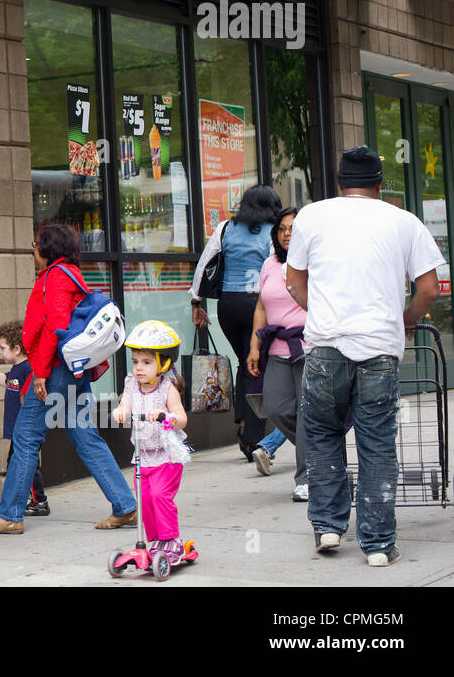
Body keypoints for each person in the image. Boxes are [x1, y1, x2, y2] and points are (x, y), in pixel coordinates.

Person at [287, 145, 442, 567]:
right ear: (378, 184)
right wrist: (405, 319)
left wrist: (321, 315)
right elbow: (429, 290)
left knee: (321, 436)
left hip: (325, 347)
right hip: (379, 350)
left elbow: (293, 282)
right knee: (376, 445)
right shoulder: (403, 221)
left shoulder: (311, 216)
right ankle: (376, 544)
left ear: (339, 185)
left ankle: (329, 527)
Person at [0, 222, 136, 534]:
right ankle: (125, 506)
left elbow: (54, 328)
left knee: (25, 437)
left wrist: (40, 373)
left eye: (35, 245)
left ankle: (9, 515)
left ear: (48, 249)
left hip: (56, 371)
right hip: (72, 372)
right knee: (86, 437)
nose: (33, 250)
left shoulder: (56, 277)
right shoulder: (72, 274)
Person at [189, 184, 282, 460]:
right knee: (257, 365)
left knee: (245, 361)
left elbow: (203, 265)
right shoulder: (272, 231)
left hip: (228, 306)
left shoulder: (226, 228)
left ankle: (242, 423)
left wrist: (196, 302)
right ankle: (252, 437)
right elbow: (276, 268)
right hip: (257, 305)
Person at [113, 321, 190, 559]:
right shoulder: (130, 385)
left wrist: (166, 417)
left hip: (167, 455)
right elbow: (124, 404)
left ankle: (171, 541)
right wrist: (120, 412)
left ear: (164, 363)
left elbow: (182, 419)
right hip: (142, 457)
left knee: (159, 496)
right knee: (145, 500)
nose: (139, 368)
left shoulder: (168, 389)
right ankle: (156, 541)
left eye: (146, 362)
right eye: (136, 361)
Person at [246, 207, 308, 500]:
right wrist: (254, 346)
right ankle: (324, 452)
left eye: (293, 228)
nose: (287, 233)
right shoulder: (269, 264)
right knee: (275, 408)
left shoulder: (313, 261)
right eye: (282, 228)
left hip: (309, 347)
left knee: (308, 414)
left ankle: (307, 478)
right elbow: (261, 306)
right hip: (278, 348)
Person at [0, 319, 49, 517]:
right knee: (17, 462)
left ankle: (38, 501)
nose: (0, 351)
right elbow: (8, 382)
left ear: (17, 349)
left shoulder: (29, 369)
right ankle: (14, 499)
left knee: (25, 463)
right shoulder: (17, 369)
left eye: (2, 347)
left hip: (25, 428)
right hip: (17, 428)